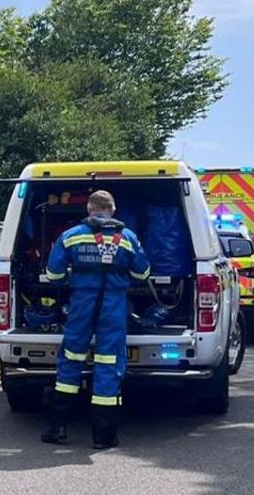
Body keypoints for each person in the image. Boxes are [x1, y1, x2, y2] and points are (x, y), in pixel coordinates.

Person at [40, 190, 150, 449]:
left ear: (89, 210)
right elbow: (143, 272)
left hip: (81, 303)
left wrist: (74, 278)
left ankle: (58, 428)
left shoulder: (70, 236)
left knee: (71, 358)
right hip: (114, 304)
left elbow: (53, 275)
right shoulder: (127, 237)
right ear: (112, 210)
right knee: (109, 362)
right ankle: (104, 437)